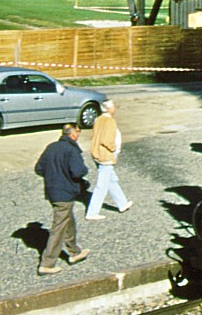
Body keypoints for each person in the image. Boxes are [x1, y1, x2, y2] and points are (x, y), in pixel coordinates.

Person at [34, 123, 91, 275]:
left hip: (52, 191)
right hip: (65, 193)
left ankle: (74, 252)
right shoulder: (71, 150)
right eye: (78, 132)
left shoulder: (51, 147)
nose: (78, 135)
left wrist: (53, 177)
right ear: (73, 134)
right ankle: (47, 263)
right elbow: (78, 171)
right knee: (58, 227)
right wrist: (83, 171)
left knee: (68, 220)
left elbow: (39, 169)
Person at [85, 99, 132, 219]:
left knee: (111, 180)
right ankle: (92, 212)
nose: (115, 108)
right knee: (102, 185)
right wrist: (113, 148)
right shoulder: (110, 121)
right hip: (106, 155)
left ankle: (122, 203)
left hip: (97, 153)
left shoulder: (98, 119)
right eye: (114, 106)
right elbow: (107, 139)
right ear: (109, 109)